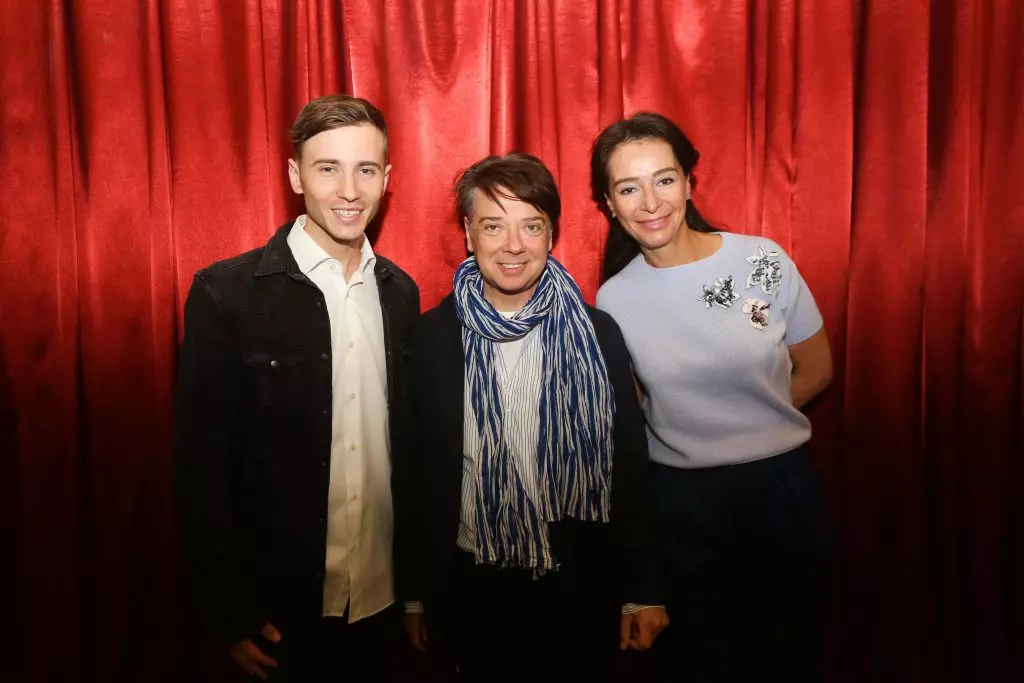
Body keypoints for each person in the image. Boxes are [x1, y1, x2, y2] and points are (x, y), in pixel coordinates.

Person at [393, 153, 668, 682]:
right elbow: (413, 476)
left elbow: (630, 466)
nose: (513, 245)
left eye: (531, 226)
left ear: (550, 235)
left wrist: (642, 590)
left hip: (579, 584)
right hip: (471, 585)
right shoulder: (430, 338)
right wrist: (413, 596)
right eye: (494, 226)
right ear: (470, 235)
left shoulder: (597, 333)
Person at [173, 94, 419, 682]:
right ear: (295, 174)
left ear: (387, 178)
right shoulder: (226, 295)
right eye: (327, 167)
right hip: (281, 611)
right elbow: (199, 468)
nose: (349, 190)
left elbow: (411, 453)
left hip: (383, 605)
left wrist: (419, 592)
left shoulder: (400, 294)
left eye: (365, 170)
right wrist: (227, 612)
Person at [592, 113, 834, 683]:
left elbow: (818, 368)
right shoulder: (614, 297)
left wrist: (753, 427)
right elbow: (631, 414)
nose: (650, 201)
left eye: (665, 179)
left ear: (689, 183)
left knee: (788, 652)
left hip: (782, 493)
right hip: (680, 505)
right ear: (610, 204)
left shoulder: (760, 260)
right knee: (701, 660)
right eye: (629, 188)